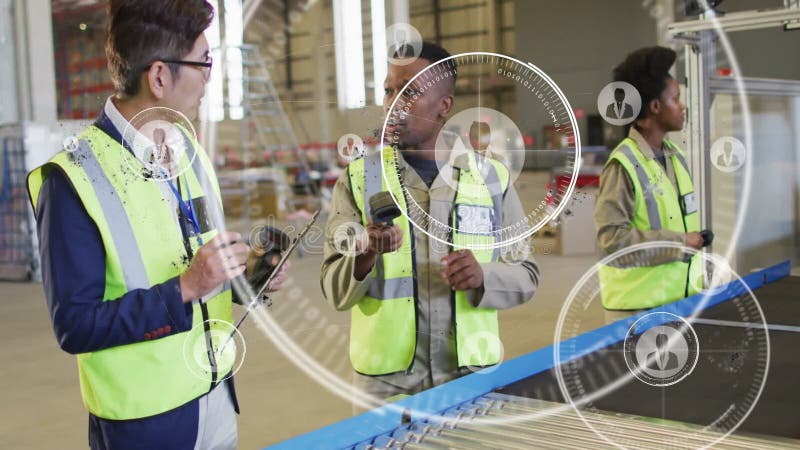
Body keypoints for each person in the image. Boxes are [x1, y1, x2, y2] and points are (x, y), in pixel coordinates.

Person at [26, 1, 287, 448]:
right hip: (146, 421)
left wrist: (250, 279)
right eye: (204, 63)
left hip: (216, 392)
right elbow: (74, 325)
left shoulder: (187, 151)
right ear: (160, 77)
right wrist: (185, 287)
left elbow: (195, 265)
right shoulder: (73, 179)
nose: (209, 76)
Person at [321, 42, 539, 402]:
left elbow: (527, 274)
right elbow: (334, 291)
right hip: (389, 389)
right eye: (390, 91)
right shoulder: (360, 180)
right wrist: (365, 254)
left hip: (470, 380)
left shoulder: (490, 180)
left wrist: (485, 276)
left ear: (444, 107)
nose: (393, 103)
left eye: (410, 92)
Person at [595, 46, 710, 311]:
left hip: (679, 300)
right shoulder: (623, 165)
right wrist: (681, 242)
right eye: (676, 99)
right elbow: (613, 242)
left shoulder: (674, 156)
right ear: (655, 107)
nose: (682, 106)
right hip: (636, 310)